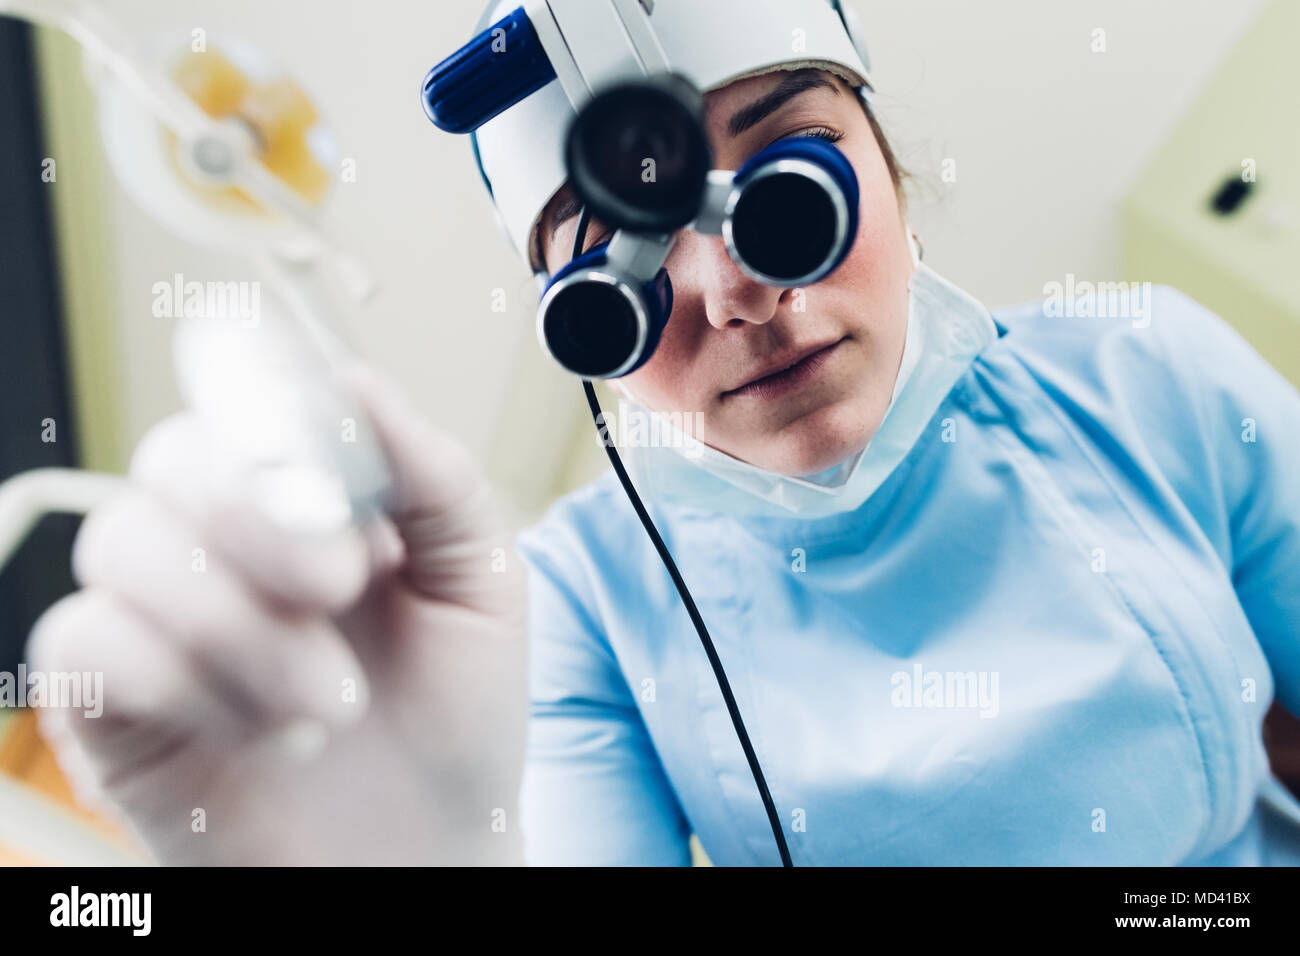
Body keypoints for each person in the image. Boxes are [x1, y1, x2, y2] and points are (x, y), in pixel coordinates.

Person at [27, 1, 1300, 866]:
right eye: (613, 275)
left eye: (791, 186)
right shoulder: (572, 603)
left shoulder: (1151, 366)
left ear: (896, 178)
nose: (740, 291)